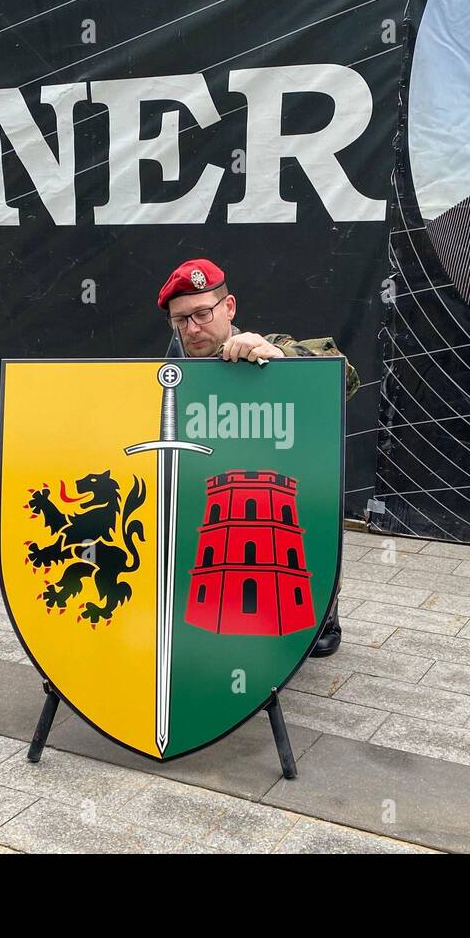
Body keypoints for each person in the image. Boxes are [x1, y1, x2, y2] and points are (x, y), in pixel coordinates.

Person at [157, 258, 357, 657]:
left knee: (304, 516)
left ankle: (321, 609)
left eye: (202, 313)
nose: (192, 328)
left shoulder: (269, 349)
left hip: (274, 488)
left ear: (228, 307)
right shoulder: (168, 373)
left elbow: (345, 377)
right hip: (206, 492)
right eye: (181, 320)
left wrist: (282, 362)